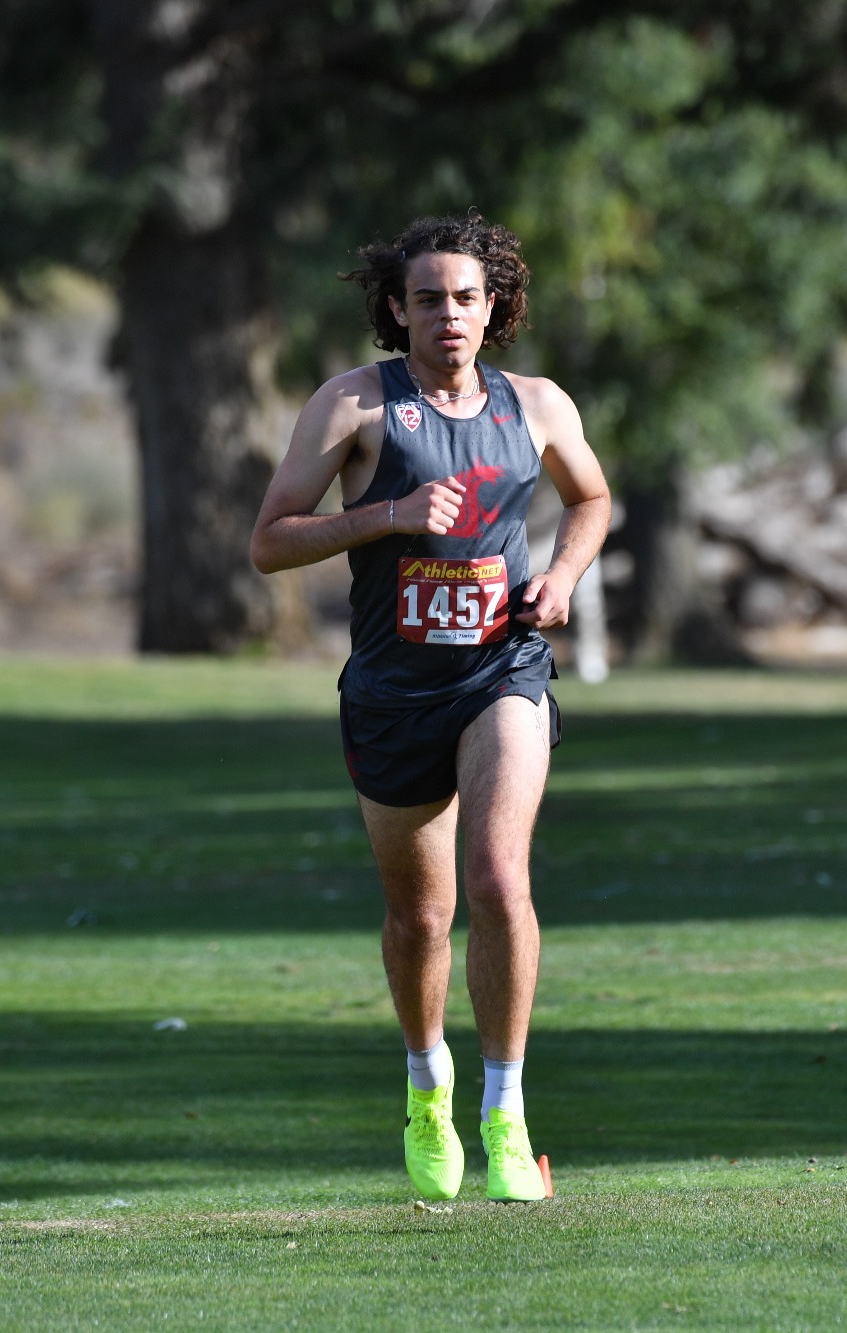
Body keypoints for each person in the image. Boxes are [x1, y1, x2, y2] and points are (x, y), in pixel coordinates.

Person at [250, 210, 611, 1202]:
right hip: (391, 689)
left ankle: (505, 1108)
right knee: (420, 914)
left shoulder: (535, 404)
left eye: (464, 297)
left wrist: (565, 576)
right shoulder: (354, 406)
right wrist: (388, 516)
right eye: (425, 300)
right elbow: (269, 540)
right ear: (393, 309)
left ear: (492, 305)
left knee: (497, 879)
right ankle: (426, 1086)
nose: (446, 315)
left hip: (501, 671)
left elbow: (590, 499)